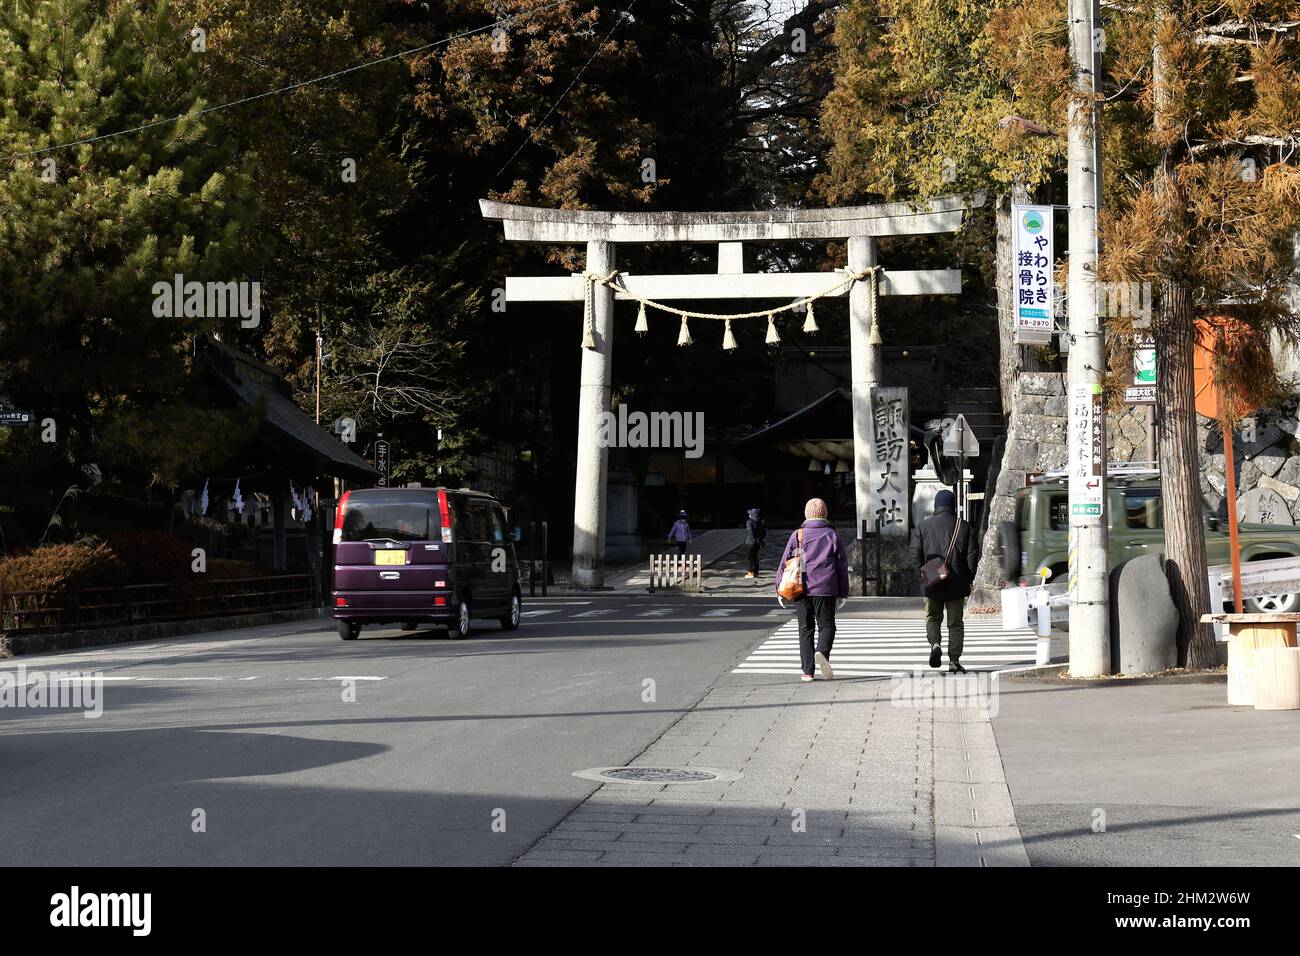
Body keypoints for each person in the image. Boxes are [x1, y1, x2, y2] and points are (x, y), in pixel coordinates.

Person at [775, 497, 849, 682]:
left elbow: (785, 563)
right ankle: (822, 651)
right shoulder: (833, 536)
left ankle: (808, 672)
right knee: (827, 625)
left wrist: (779, 589)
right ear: (825, 514)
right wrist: (843, 593)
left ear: (807, 514)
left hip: (801, 587)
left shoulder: (797, 535)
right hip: (826, 588)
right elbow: (841, 567)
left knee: (805, 628)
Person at [909, 489, 980, 673]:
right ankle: (954, 661)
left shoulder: (923, 527)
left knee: (933, 617)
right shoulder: (963, 527)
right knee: (955, 623)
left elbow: (914, 555)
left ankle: (935, 644)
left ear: (936, 506)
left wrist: (923, 576)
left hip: (932, 583)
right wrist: (969, 578)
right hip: (957, 584)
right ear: (953, 506)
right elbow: (973, 556)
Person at [744, 507, 766, 579]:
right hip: (758, 542)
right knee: (755, 557)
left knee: (748, 557)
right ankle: (756, 573)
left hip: (750, 542)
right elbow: (763, 532)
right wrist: (761, 540)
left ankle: (750, 572)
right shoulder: (760, 522)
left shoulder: (749, 522)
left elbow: (750, 532)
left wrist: (753, 539)